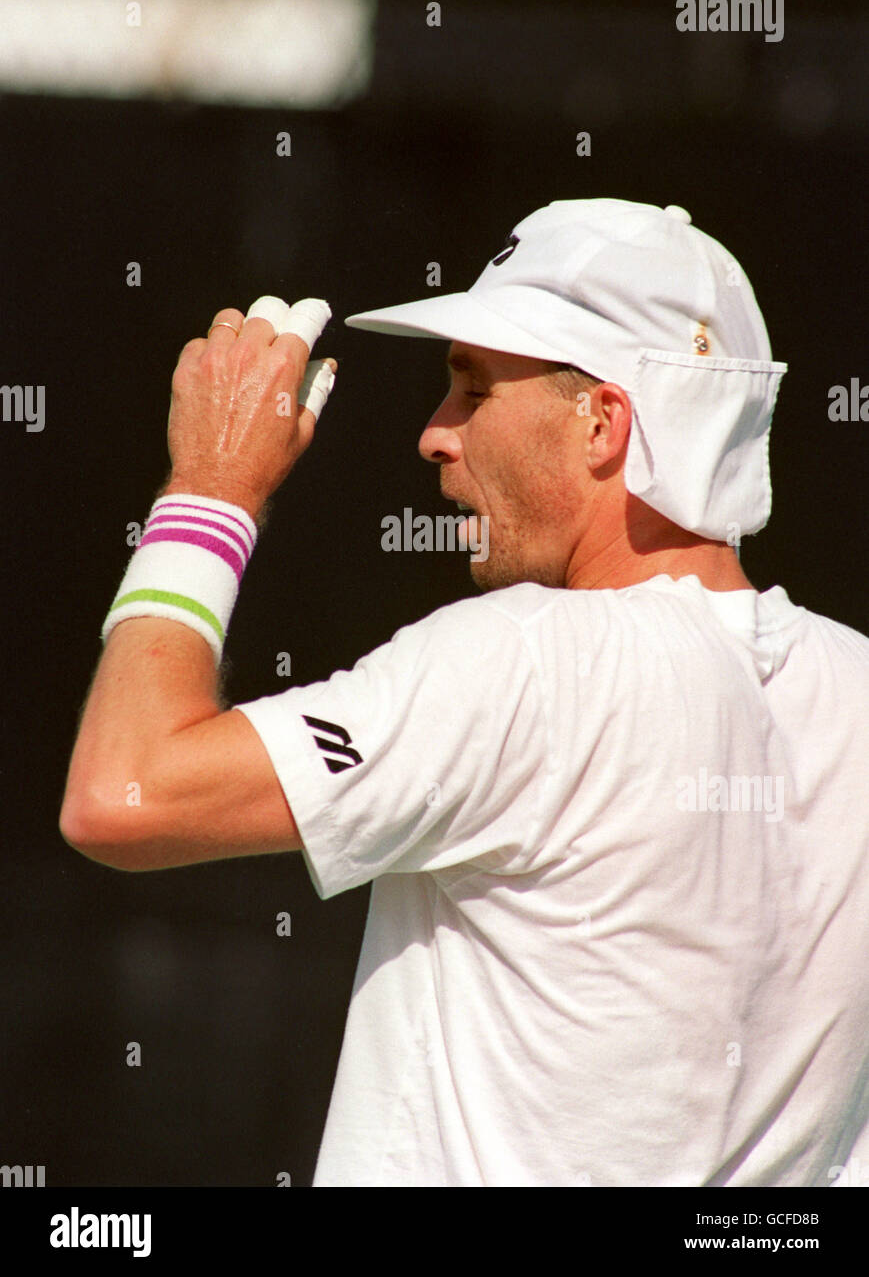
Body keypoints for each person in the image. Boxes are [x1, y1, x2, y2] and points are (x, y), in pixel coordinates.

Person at [60, 198, 869, 1188]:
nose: (433, 436)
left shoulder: (527, 658)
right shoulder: (855, 688)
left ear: (603, 422)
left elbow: (122, 791)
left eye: (470, 387)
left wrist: (211, 491)